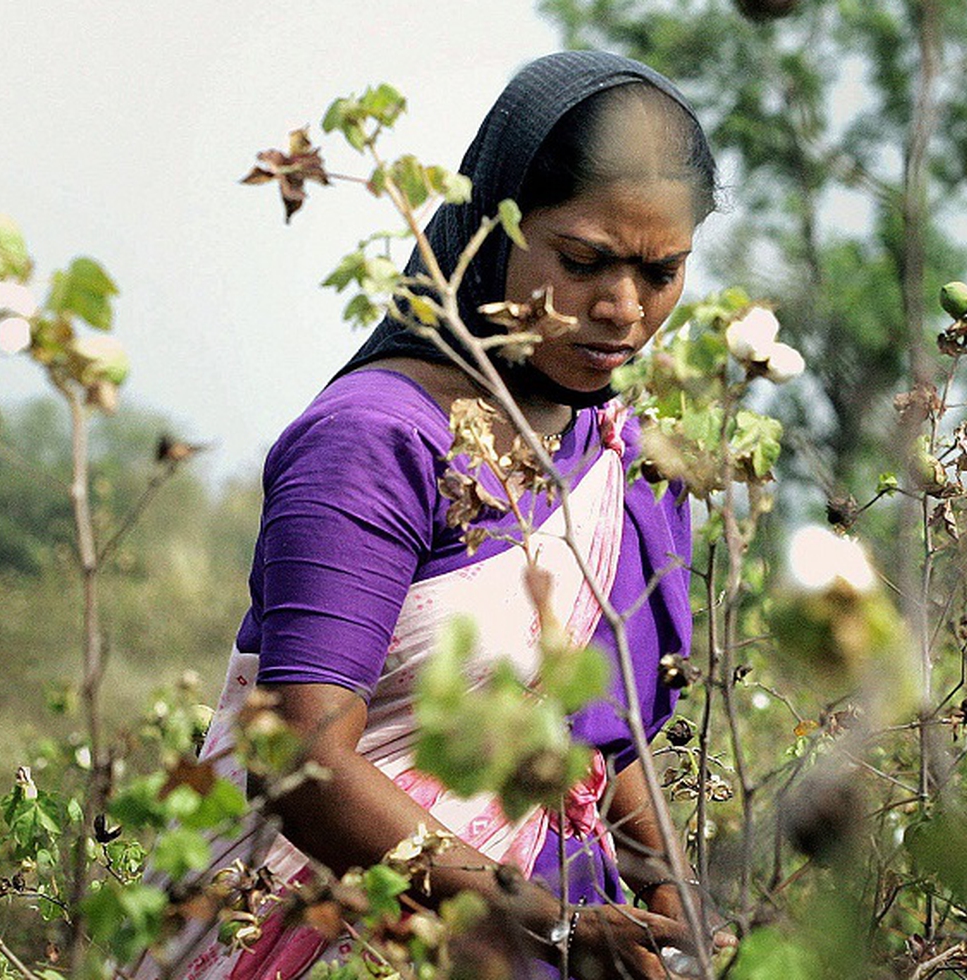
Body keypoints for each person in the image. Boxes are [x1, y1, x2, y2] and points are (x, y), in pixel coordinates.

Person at [143, 51, 717, 980]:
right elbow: (302, 759)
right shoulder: (375, 441)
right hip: (335, 934)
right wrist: (547, 924)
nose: (622, 309)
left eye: (661, 273)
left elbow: (602, 745)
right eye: (581, 262)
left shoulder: (618, 457)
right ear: (495, 231)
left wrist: (676, 908)